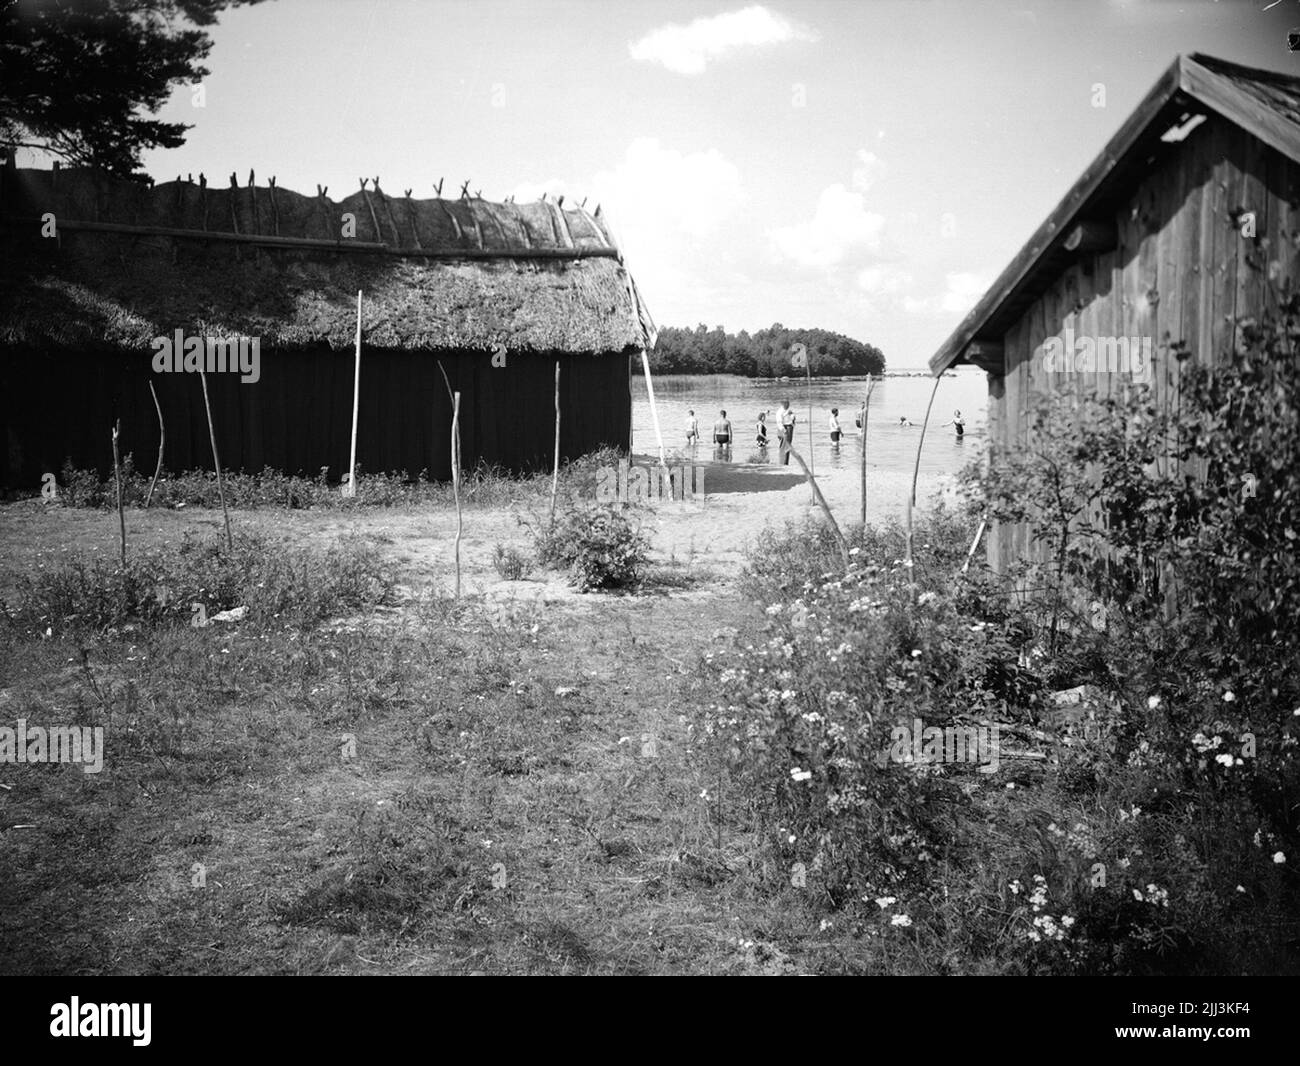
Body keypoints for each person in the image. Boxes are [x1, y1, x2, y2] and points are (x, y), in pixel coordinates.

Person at [779, 400, 796, 465]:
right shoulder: (781, 412)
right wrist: (784, 429)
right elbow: (780, 422)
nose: (788, 405)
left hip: (789, 427)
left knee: (787, 445)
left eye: (788, 404)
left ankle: (785, 462)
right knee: (785, 445)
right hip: (786, 428)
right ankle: (783, 462)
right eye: (787, 404)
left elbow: (793, 420)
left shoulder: (789, 411)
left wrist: (793, 419)